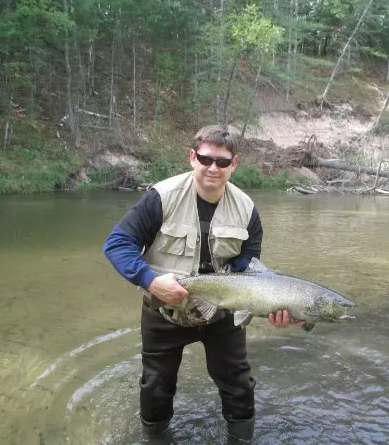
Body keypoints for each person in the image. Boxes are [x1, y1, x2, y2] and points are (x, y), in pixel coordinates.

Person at [103, 125, 302, 444]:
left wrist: (283, 305)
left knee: (239, 385)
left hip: (223, 314)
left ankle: (241, 439)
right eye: (206, 159)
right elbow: (118, 243)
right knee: (155, 386)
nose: (213, 168)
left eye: (222, 162)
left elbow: (249, 268)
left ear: (234, 164)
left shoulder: (247, 210)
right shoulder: (160, 198)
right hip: (164, 310)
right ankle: (157, 437)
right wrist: (150, 280)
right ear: (192, 157)